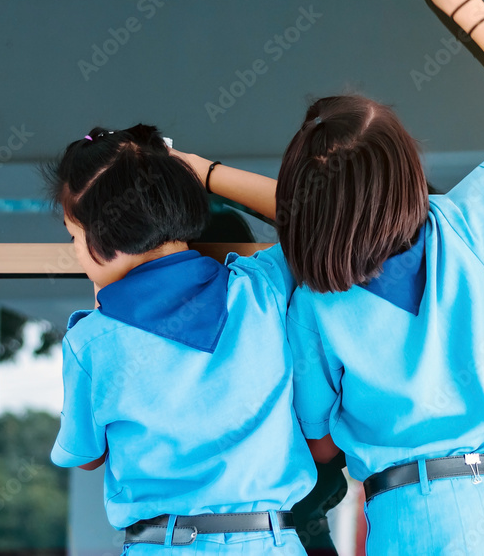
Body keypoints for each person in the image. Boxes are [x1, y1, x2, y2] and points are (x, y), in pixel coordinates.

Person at [173, 0, 484, 554]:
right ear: (408, 175)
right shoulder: (461, 229)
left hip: (398, 520)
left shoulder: (314, 298)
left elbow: (321, 443)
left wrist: (202, 174)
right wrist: (460, 0)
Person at [46, 124, 317, 555]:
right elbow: (322, 216)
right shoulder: (261, 291)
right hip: (272, 542)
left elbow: (86, 454)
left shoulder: (92, 343)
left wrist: (105, 306)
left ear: (104, 235)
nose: (76, 253)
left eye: (74, 236)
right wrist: (201, 171)